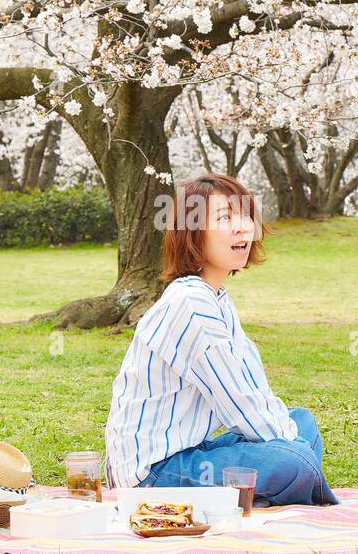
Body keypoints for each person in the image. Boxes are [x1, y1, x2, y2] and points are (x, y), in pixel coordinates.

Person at [103, 172, 338, 506]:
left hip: (189, 453)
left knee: (301, 421)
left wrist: (289, 436)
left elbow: (254, 388)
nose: (242, 227)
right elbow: (238, 404)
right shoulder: (191, 304)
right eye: (225, 217)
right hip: (150, 476)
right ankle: (286, 479)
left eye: (244, 215)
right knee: (292, 462)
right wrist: (290, 448)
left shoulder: (217, 300)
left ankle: (263, 489)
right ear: (193, 233)